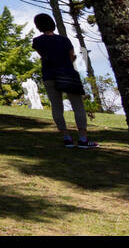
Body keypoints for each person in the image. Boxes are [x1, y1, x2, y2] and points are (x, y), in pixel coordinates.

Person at [31, 13, 97, 149]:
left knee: (56, 106)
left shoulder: (37, 41)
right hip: (68, 74)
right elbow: (71, 56)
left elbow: (43, 56)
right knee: (78, 106)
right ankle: (83, 139)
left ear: (38, 26)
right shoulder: (64, 40)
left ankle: (66, 137)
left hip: (50, 75)